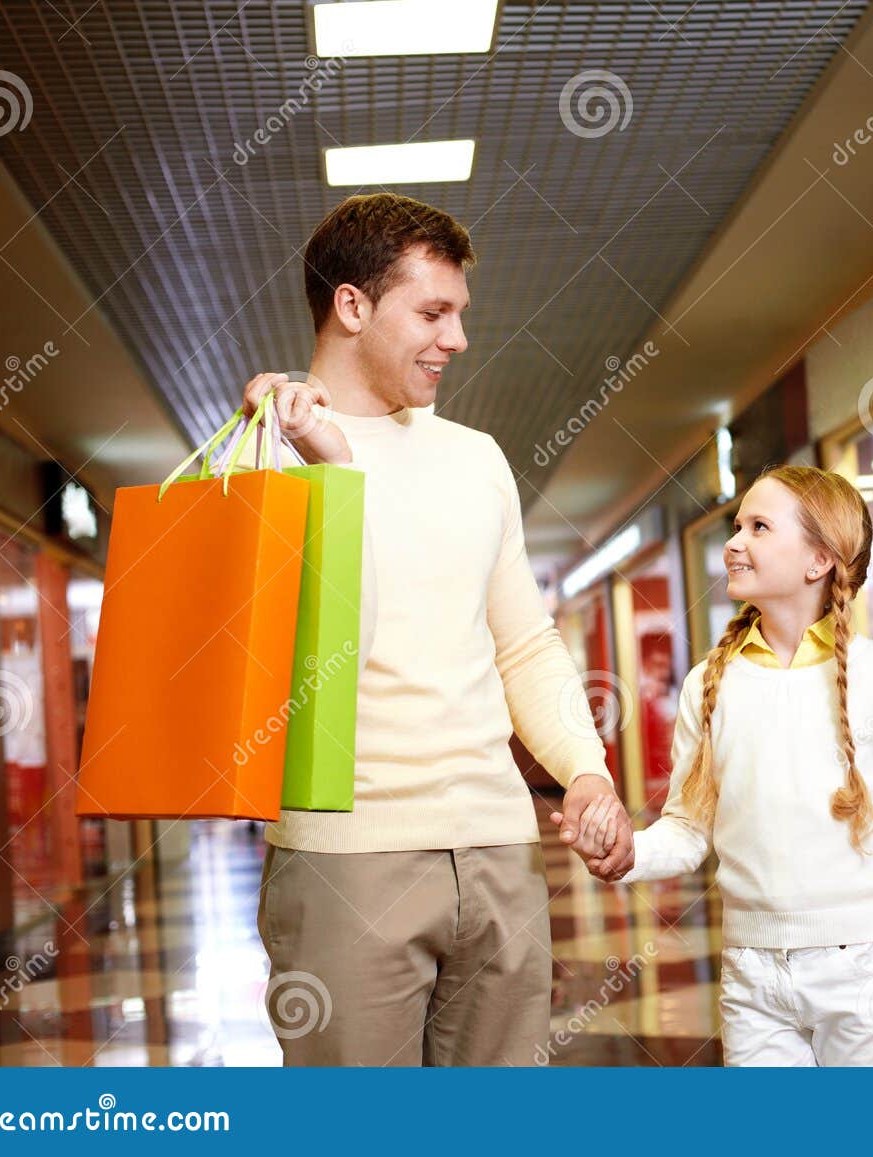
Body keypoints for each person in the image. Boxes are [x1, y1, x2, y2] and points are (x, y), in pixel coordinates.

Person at [245, 192, 630, 1065]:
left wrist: (585, 771)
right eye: (432, 312)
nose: (456, 338)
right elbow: (322, 647)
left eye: (459, 313)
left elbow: (522, 643)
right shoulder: (263, 453)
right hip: (350, 859)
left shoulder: (477, 457)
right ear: (352, 305)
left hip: (499, 848)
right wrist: (330, 474)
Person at [560, 466, 873, 1065]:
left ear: (818, 560)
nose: (735, 541)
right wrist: (629, 854)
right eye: (737, 525)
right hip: (752, 979)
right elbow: (688, 830)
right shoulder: (708, 686)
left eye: (759, 527)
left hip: (868, 971)